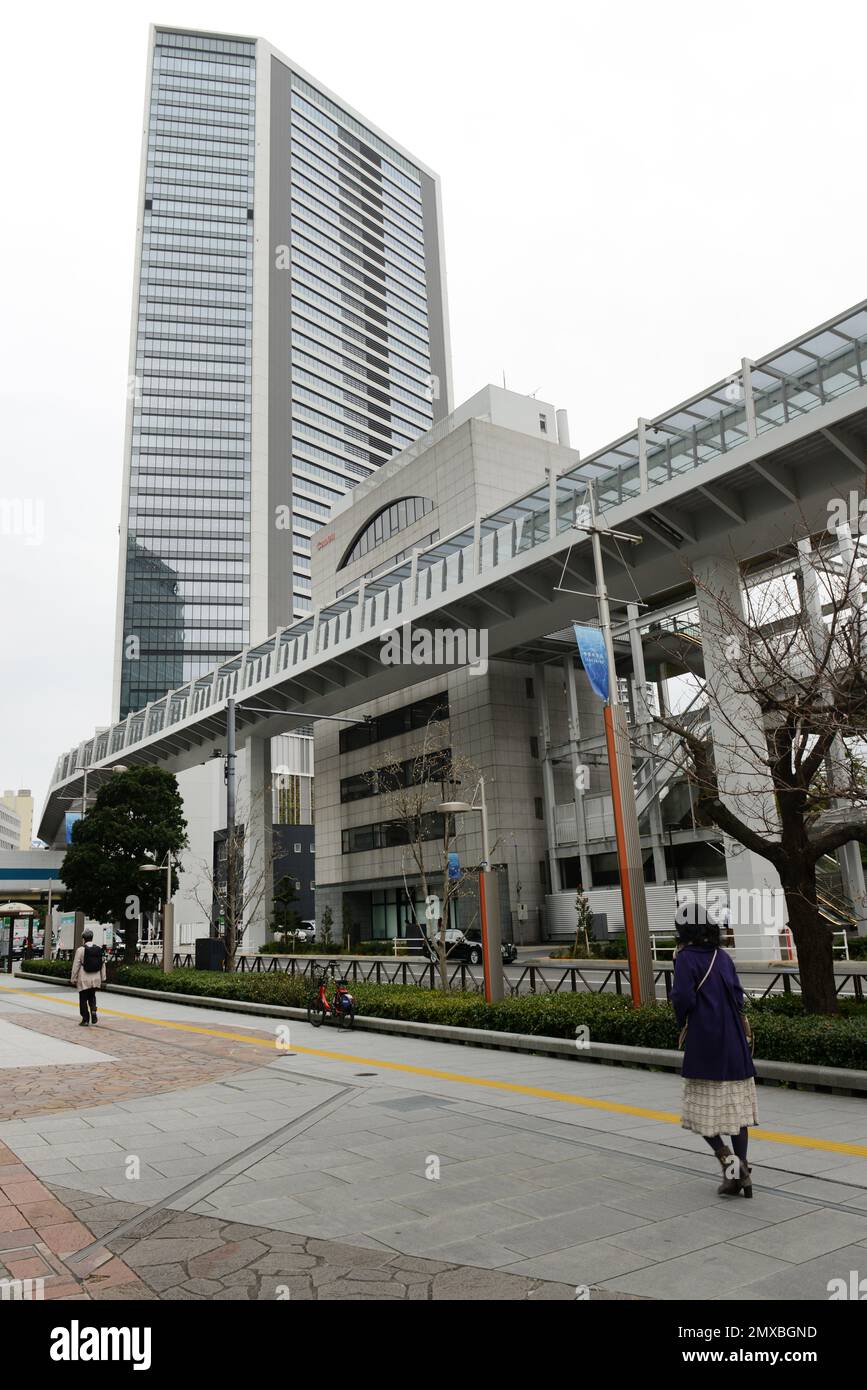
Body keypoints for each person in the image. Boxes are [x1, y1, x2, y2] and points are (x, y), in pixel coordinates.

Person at [670, 904, 757, 1197]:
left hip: (705, 1041)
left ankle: (730, 1163)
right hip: (733, 1040)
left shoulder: (684, 958)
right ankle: (741, 1168)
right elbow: (737, 994)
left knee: (699, 1110)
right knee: (736, 1111)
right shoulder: (722, 956)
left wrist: (683, 1020)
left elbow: (682, 997)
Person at [71, 928, 106, 1027]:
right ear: (92, 937)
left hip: (84, 977)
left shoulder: (81, 950)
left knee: (83, 998)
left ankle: (85, 1019)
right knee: (92, 996)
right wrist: (103, 977)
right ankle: (93, 1011)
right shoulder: (98, 948)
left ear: (83, 939)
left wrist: (73, 978)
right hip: (95, 977)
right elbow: (103, 963)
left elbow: (76, 965)